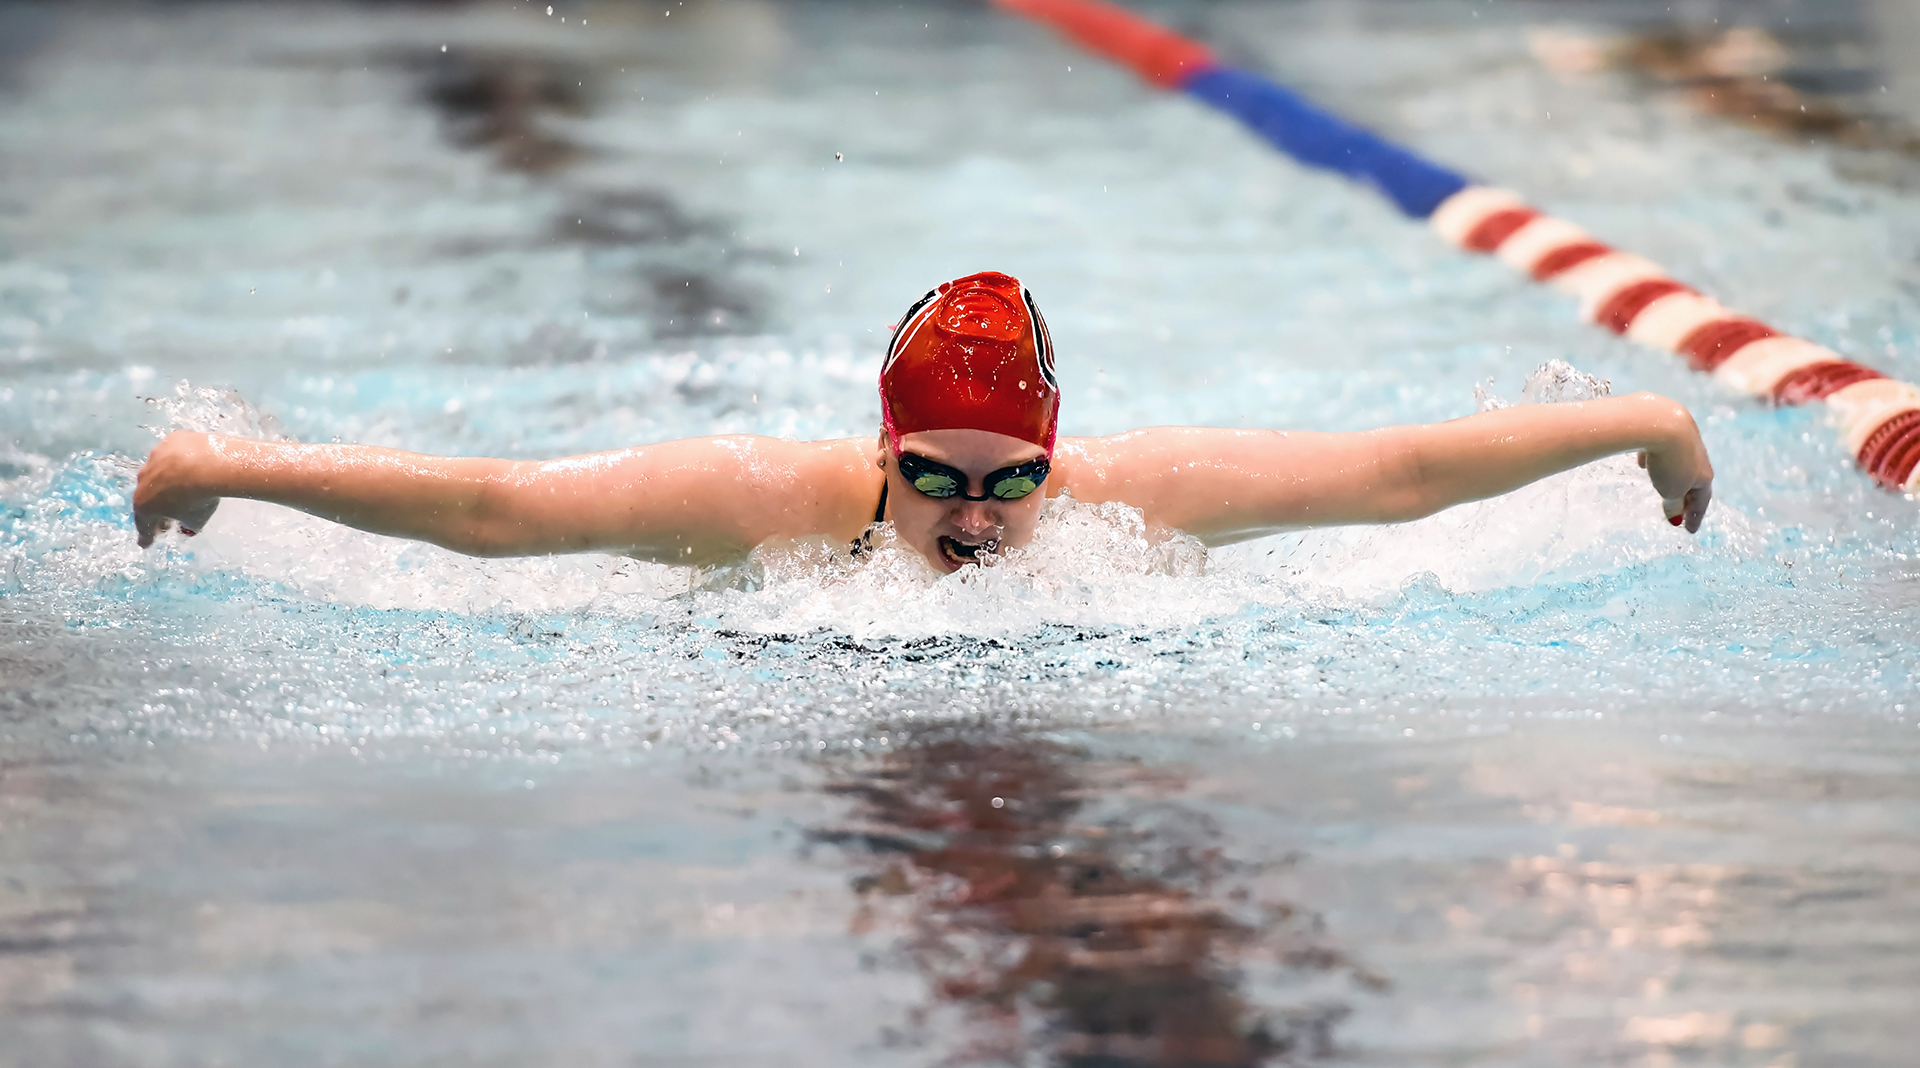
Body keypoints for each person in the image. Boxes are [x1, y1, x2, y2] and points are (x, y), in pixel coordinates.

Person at [132, 271, 1714, 574]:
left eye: (1014, 480)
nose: (977, 518)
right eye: (936, 482)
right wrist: (234, 468)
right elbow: (494, 508)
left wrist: (1646, 414)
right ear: (877, 454)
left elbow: (1394, 477)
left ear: (1058, 456)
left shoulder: (1130, 501)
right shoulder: (756, 503)